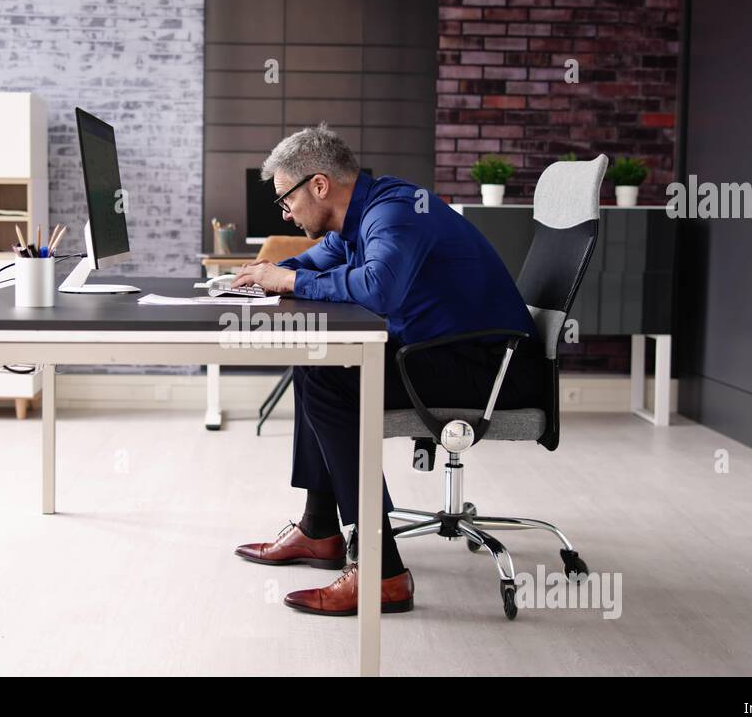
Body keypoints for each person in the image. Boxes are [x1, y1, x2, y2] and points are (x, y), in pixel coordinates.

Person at [231, 124, 550, 616]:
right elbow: (315, 265)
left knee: (326, 374)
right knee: (318, 362)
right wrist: (256, 278)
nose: (285, 212)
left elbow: (379, 288)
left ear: (319, 186)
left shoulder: (395, 213)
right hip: (448, 354)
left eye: (284, 200)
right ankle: (319, 529)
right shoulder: (358, 218)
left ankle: (383, 574)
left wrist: (289, 278)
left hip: (490, 371)